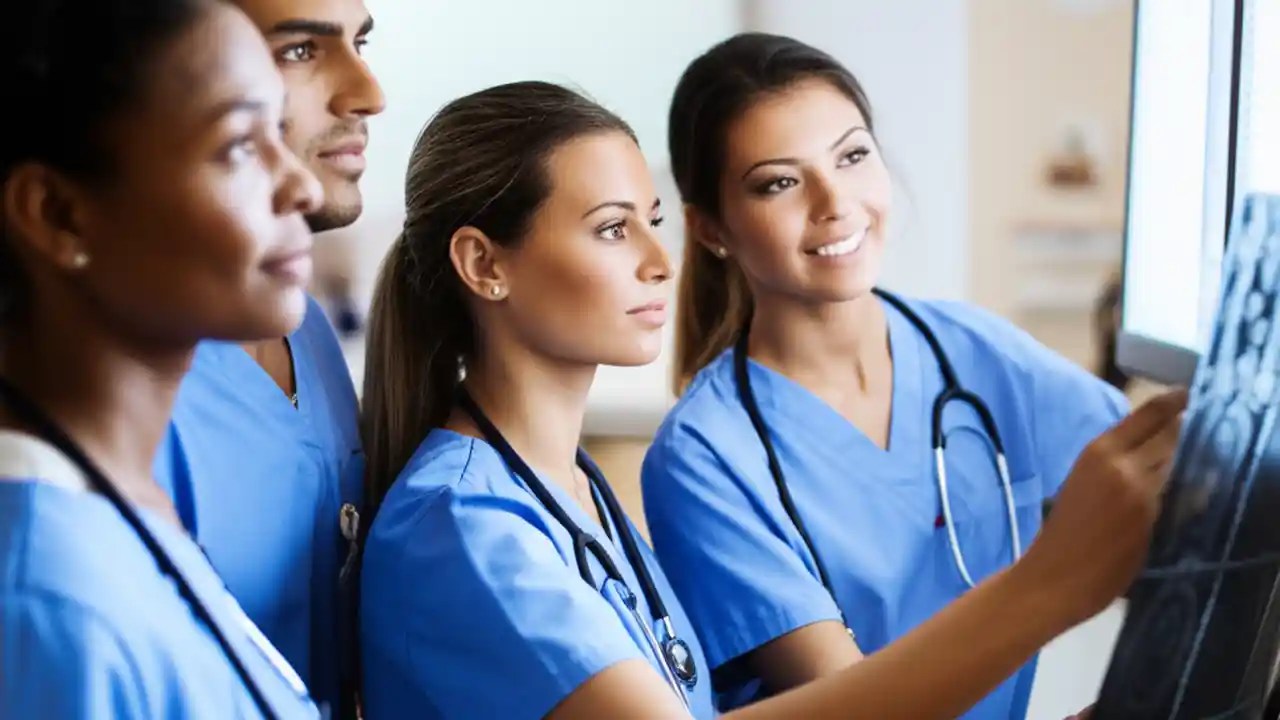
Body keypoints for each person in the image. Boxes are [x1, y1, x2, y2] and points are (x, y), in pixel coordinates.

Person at [356, 79, 1185, 720]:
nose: (660, 260)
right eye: (613, 229)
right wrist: (1049, 587)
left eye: (652, 220)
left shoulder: (574, 494)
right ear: (483, 264)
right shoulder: (460, 527)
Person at [640, 32, 1140, 718]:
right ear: (710, 230)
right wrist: (1054, 583)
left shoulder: (975, 353)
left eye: (852, 156)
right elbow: (859, 704)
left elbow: (1180, 500)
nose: (834, 202)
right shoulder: (702, 459)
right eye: (779, 183)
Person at [0, 0, 325, 716]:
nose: (301, 185)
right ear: (58, 213)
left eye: (281, 131)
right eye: (241, 145)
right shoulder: (50, 614)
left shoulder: (123, 516)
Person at [152, 0, 385, 715]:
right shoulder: (132, 397)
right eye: (301, 53)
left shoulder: (305, 329)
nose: (369, 92)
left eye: (362, 42)